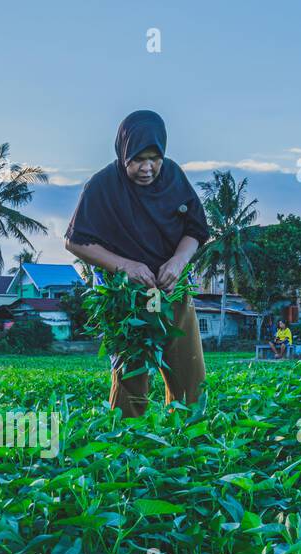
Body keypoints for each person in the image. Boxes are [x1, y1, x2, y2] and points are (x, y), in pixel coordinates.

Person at [65, 110, 209, 418]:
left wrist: (178, 261)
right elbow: (75, 241)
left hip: (172, 292)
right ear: (122, 154)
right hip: (125, 299)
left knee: (190, 379)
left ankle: (187, 446)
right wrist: (125, 266)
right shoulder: (102, 186)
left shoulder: (173, 177)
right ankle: (128, 447)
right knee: (131, 382)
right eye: (137, 159)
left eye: (154, 158)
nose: (147, 168)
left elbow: (195, 230)